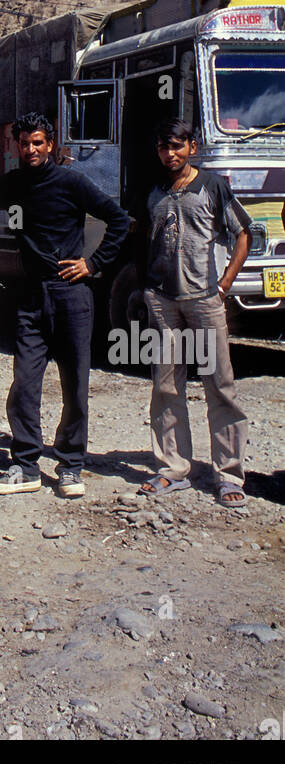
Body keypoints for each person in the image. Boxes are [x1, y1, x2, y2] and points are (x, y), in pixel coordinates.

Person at [0, 112, 129, 499]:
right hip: (31, 298)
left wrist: (93, 263)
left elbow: (119, 219)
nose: (31, 149)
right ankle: (26, 464)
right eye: (24, 143)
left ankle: (70, 466)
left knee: (75, 383)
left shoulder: (72, 182)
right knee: (25, 383)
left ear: (49, 144)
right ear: (17, 146)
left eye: (38, 142)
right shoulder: (16, 183)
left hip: (71, 295)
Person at [137, 117, 250, 508]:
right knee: (166, 386)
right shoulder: (153, 191)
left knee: (220, 385)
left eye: (177, 146)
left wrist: (225, 284)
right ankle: (172, 468)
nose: (170, 154)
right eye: (164, 147)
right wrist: (147, 288)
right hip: (163, 301)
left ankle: (229, 474)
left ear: (192, 147)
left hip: (204, 299)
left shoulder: (212, 187)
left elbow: (243, 232)